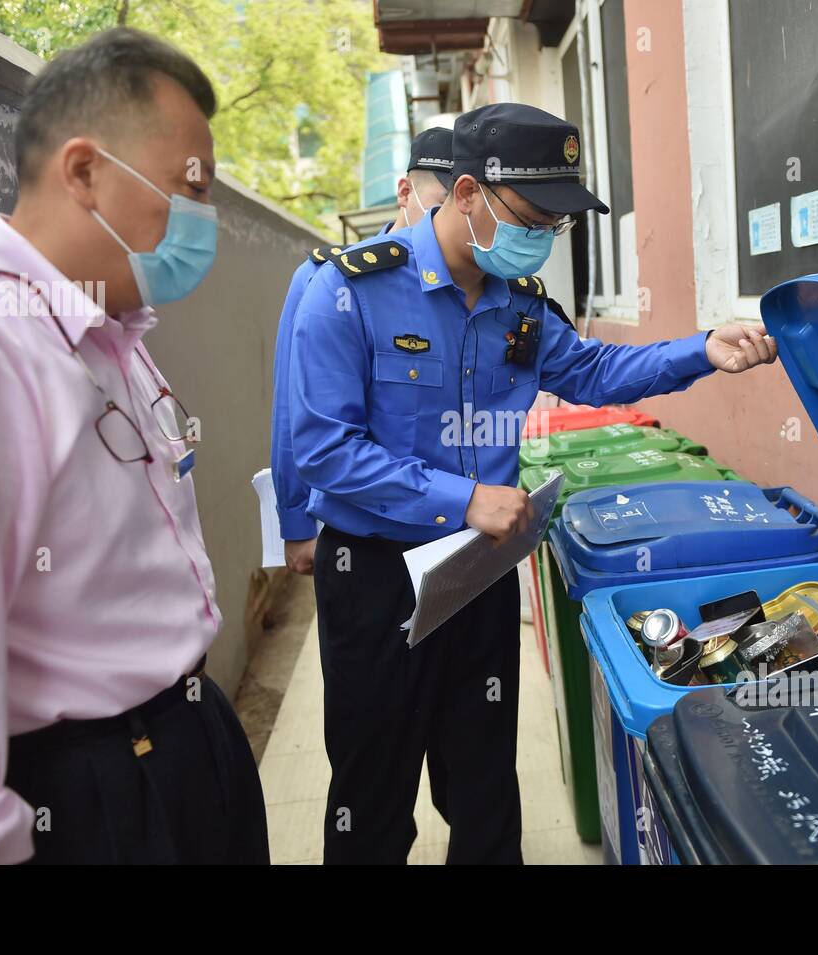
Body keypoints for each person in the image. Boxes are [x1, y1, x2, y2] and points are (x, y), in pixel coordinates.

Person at [288, 103, 778, 864]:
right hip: (374, 577)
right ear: (465, 194)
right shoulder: (348, 291)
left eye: (559, 222)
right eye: (534, 215)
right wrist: (463, 498)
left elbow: (596, 370)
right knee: (373, 796)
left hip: (476, 576)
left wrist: (700, 349)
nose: (545, 235)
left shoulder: (520, 305)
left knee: (486, 790)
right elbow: (323, 450)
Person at [0, 28, 266, 864]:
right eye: (190, 188)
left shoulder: (110, 335)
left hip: (191, 746)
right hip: (91, 801)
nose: (203, 220)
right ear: (83, 171)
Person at [271, 126, 454, 575]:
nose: (444, 226)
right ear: (404, 193)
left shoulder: (469, 286)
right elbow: (291, 413)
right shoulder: (333, 280)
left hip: (456, 532)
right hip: (366, 538)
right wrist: (296, 523)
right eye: (436, 209)